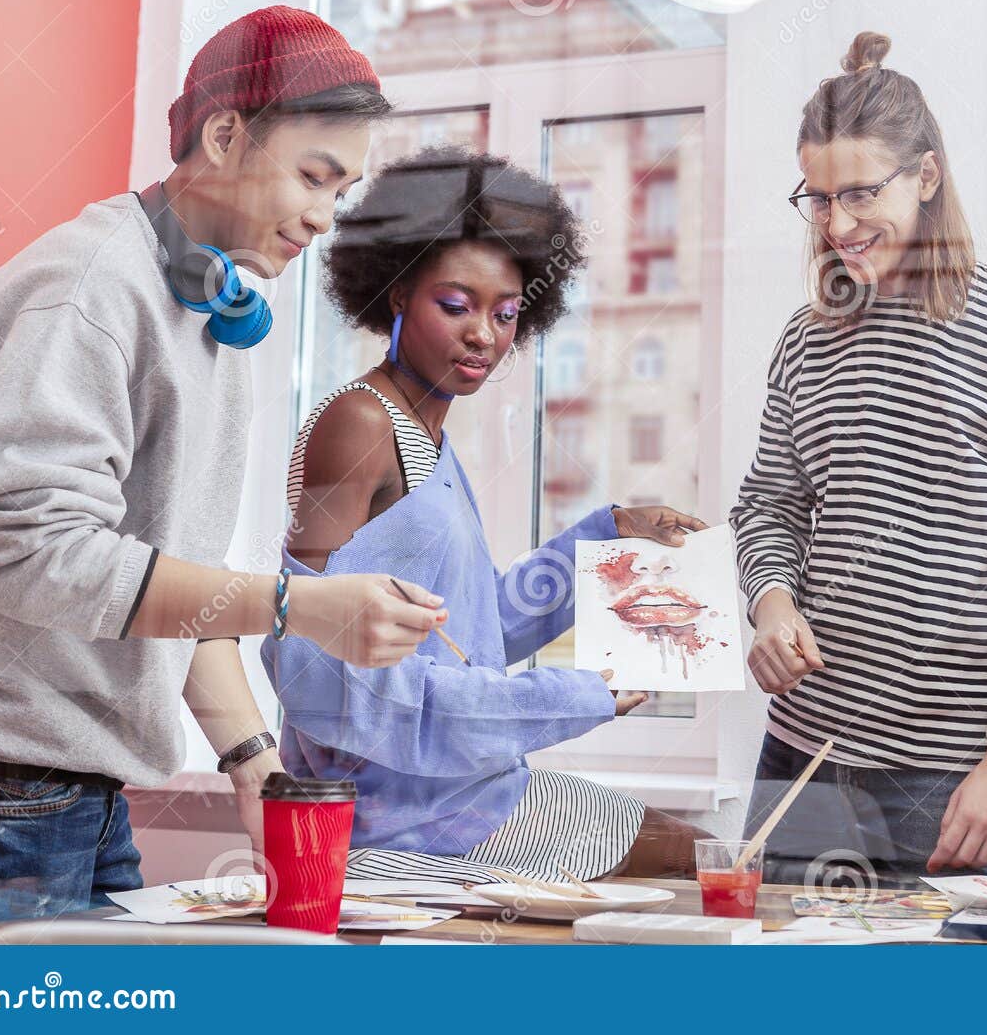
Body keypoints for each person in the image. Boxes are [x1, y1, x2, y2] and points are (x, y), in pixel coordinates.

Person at [0, 6, 446, 926]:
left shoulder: (206, 307)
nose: (323, 215)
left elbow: (161, 584)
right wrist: (295, 605)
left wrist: (257, 769)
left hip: (76, 798)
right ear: (225, 135)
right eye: (314, 176)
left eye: (341, 191)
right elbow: (36, 556)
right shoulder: (93, 290)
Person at [730, 32, 987, 887]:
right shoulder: (807, 339)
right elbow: (769, 504)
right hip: (802, 750)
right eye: (818, 198)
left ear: (928, 178)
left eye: (861, 193)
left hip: (948, 775)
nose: (838, 224)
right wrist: (770, 601)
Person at [263, 145, 709, 883]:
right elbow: (313, 669)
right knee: (709, 863)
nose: (484, 335)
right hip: (409, 821)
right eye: (456, 305)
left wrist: (609, 538)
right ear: (397, 293)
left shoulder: (425, 436)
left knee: (711, 863)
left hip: (470, 796)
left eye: (505, 314)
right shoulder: (362, 424)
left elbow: (472, 637)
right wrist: (578, 693)